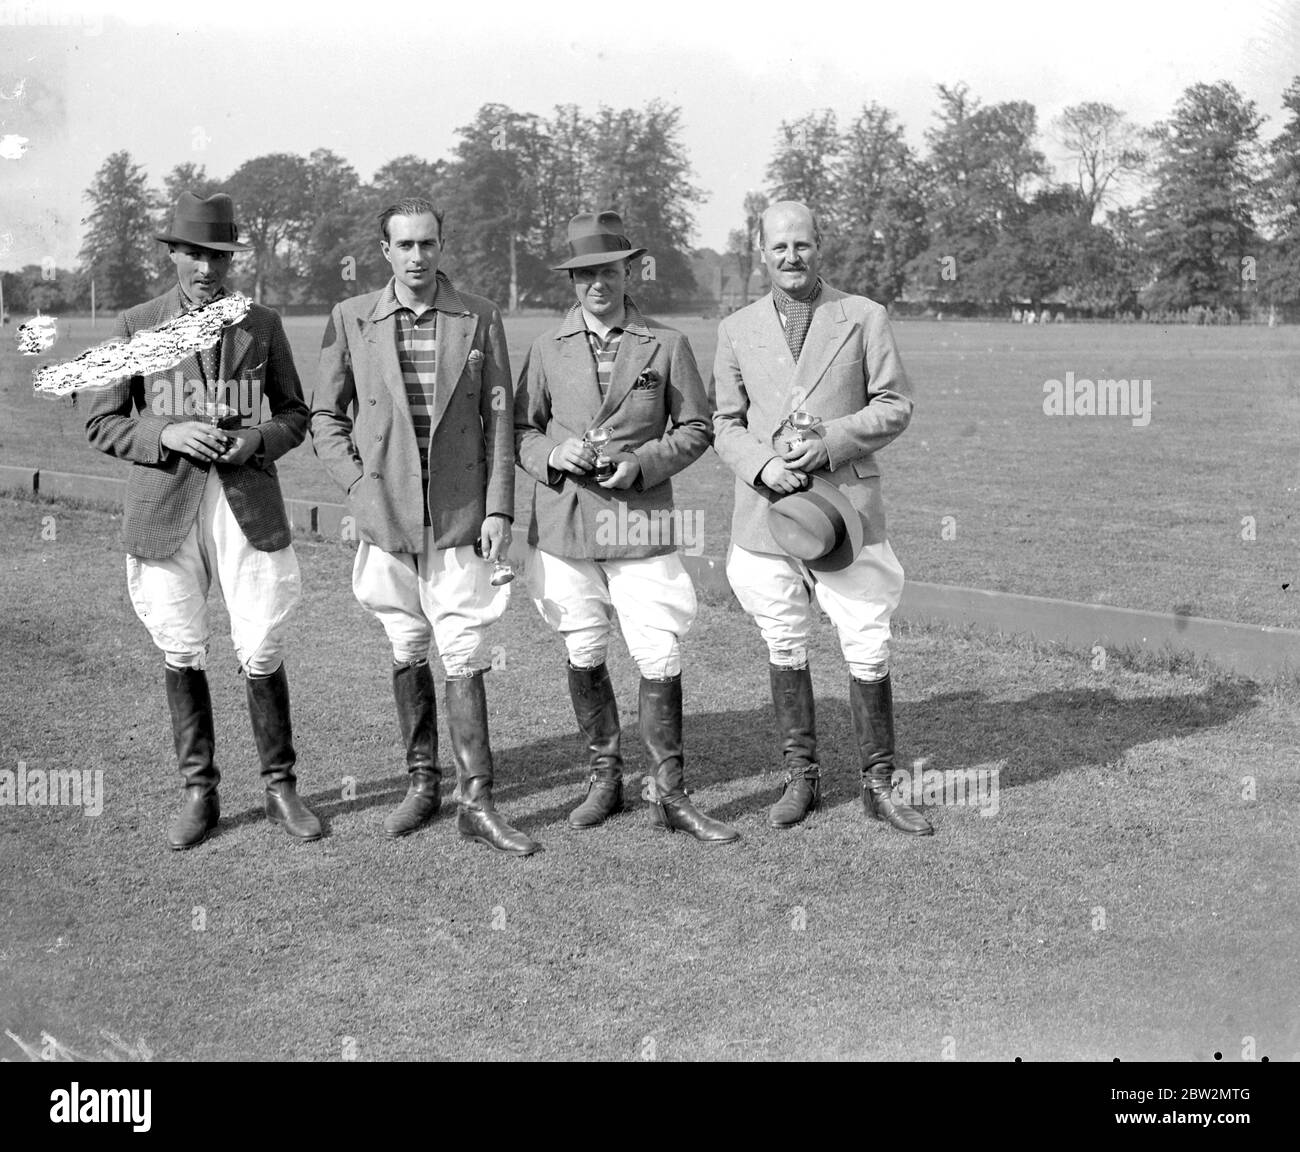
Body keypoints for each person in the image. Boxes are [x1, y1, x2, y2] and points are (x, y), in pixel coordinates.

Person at [85, 191, 320, 850]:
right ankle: (200, 792)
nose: (205, 267)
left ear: (229, 257)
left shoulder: (262, 323)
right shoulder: (136, 325)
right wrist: (169, 433)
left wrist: (257, 441)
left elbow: (297, 413)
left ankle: (280, 788)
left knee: (262, 643)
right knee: (181, 644)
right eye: (192, 252)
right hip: (167, 504)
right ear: (174, 254)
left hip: (246, 502)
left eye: (216, 254)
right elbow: (103, 421)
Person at [311, 197, 537, 856]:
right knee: (406, 642)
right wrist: (357, 485)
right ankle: (422, 784)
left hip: (461, 513)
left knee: (463, 649)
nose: (417, 257)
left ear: (442, 245)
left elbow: (500, 420)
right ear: (384, 250)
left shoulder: (480, 317)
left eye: (428, 244)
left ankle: (477, 800)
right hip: (387, 515)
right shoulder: (350, 318)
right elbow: (326, 417)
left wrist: (499, 507)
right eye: (405, 245)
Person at [711, 200, 933, 836]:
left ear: (819, 247)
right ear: (763, 252)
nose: (791, 257)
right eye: (779, 247)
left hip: (846, 513)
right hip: (767, 514)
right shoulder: (735, 328)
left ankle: (878, 784)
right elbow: (723, 423)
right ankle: (800, 779)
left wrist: (831, 441)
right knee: (783, 637)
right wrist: (761, 467)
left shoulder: (863, 316)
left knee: (866, 637)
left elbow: (895, 405)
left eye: (802, 245)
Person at [515, 211, 738, 844]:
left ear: (629, 270)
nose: (597, 284)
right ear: (571, 280)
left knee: (658, 650)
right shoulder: (545, 347)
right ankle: (605, 781)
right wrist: (555, 455)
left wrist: (640, 464)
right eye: (584, 274)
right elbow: (521, 431)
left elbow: (697, 427)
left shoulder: (665, 344)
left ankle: (670, 794)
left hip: (639, 520)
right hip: (566, 525)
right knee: (583, 647)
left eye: (608, 271)